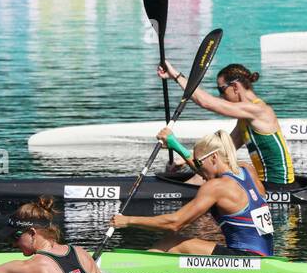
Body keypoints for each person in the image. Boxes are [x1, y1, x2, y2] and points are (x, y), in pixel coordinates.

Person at [109, 129, 274, 257]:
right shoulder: (247, 170)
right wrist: (174, 144)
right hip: (265, 256)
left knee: (172, 242)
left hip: (246, 260)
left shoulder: (216, 187)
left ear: (214, 158)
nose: (198, 169)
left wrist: (128, 220)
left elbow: (174, 223)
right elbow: (206, 170)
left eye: (198, 163)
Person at [157, 61, 295, 185]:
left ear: (235, 87)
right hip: (261, 184)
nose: (220, 96)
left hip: (279, 186)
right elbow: (222, 151)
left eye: (221, 90)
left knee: (214, 174)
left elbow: (206, 102)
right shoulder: (245, 119)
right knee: (214, 166)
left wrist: (176, 75)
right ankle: (183, 188)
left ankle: (181, 193)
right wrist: (184, 159)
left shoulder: (259, 110)